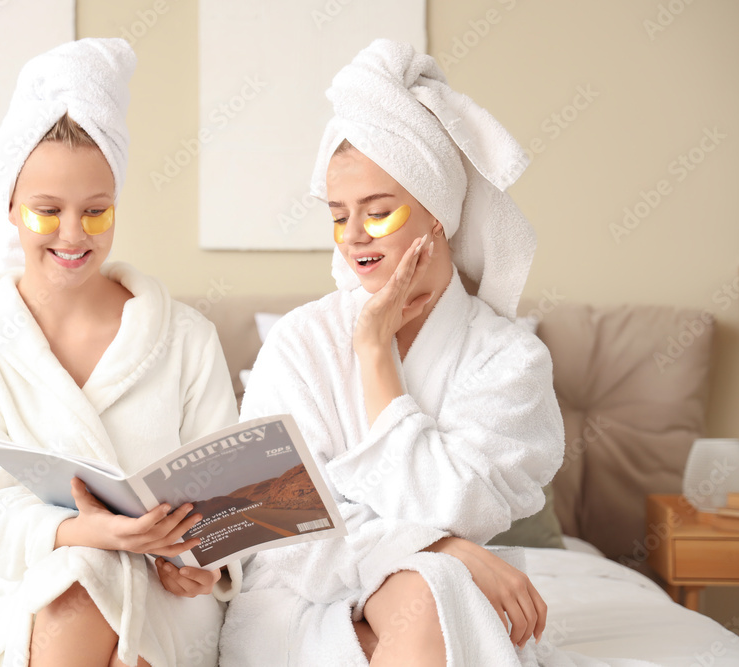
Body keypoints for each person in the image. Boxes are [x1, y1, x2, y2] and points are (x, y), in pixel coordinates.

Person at [219, 39, 568, 666]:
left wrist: (376, 358)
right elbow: (272, 527)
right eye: (338, 215)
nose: (354, 237)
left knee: (426, 593)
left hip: (439, 600)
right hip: (299, 600)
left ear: (438, 214)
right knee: (431, 583)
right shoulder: (301, 342)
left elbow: (454, 505)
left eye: (378, 213)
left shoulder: (508, 361)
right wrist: (442, 548)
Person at [0, 39, 240, 667]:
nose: (73, 235)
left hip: (169, 591)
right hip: (43, 583)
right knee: (81, 574)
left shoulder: (185, 337)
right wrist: (88, 533)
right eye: (47, 211)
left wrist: (205, 568)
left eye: (96, 211)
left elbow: (227, 515)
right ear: (10, 207)